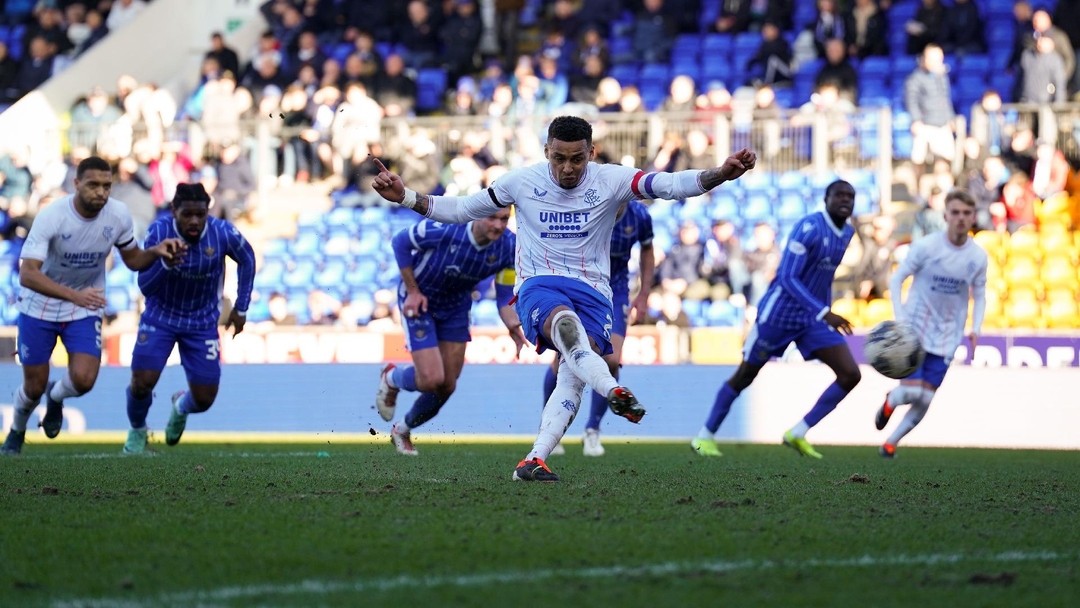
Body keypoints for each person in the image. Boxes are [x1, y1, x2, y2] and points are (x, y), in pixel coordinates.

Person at [372, 115, 757, 482]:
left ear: (591, 153)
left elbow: (670, 185)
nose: (568, 168)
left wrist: (721, 174)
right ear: (546, 153)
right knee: (565, 328)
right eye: (559, 158)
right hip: (540, 285)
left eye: (576, 159)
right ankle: (613, 391)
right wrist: (405, 196)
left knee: (571, 378)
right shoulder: (520, 182)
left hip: (594, 294)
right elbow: (459, 209)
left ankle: (535, 457)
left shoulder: (612, 180)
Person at [1, 157, 185, 456]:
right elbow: (27, 273)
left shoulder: (118, 215)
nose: (100, 192)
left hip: (83, 308)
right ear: (76, 184)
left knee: (84, 380)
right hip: (39, 307)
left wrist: (156, 252)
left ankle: (56, 397)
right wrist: (73, 295)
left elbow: (134, 260)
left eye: (106, 186)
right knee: (32, 387)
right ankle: (17, 431)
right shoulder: (53, 216)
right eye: (93, 185)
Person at [691, 181, 860, 460]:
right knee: (745, 376)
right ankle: (704, 437)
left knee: (850, 374)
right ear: (826, 198)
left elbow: (824, 277)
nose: (846, 200)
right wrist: (824, 311)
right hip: (778, 315)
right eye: (839, 195)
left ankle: (798, 432)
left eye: (851, 196)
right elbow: (787, 277)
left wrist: (822, 312)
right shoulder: (809, 229)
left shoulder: (847, 232)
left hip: (811, 318)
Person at [375, 208, 527, 455]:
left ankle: (402, 429)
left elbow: (503, 297)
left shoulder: (510, 247)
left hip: (456, 307)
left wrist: (512, 324)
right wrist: (413, 291)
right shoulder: (446, 228)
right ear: (477, 214)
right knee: (432, 379)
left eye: (504, 219)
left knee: (447, 385)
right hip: (421, 300)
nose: (498, 225)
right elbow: (400, 242)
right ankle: (392, 378)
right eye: (492, 218)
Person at [122, 183, 256, 454]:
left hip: (202, 322)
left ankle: (180, 406)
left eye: (200, 214)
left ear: (208, 211)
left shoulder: (222, 232)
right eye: (187, 214)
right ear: (174, 211)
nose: (194, 221)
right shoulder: (159, 232)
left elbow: (248, 259)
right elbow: (145, 287)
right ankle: (137, 430)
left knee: (205, 398)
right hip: (161, 317)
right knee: (141, 383)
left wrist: (241, 308)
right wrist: (164, 264)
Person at [874, 190, 987, 457]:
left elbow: (980, 294)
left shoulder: (978, 257)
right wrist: (900, 317)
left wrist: (976, 329)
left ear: (973, 217)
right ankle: (890, 401)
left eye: (966, 213)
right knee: (910, 394)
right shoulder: (926, 246)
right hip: (915, 331)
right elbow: (896, 278)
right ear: (945, 215)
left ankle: (890, 443)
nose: (961, 218)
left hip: (948, 335)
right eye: (956, 212)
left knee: (925, 398)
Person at [542, 200, 654, 457]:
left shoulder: (639, 216)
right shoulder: (582, 208)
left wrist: (644, 293)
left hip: (614, 291)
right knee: (563, 362)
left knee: (612, 360)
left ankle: (592, 429)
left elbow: (648, 249)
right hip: (578, 288)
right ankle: (550, 426)